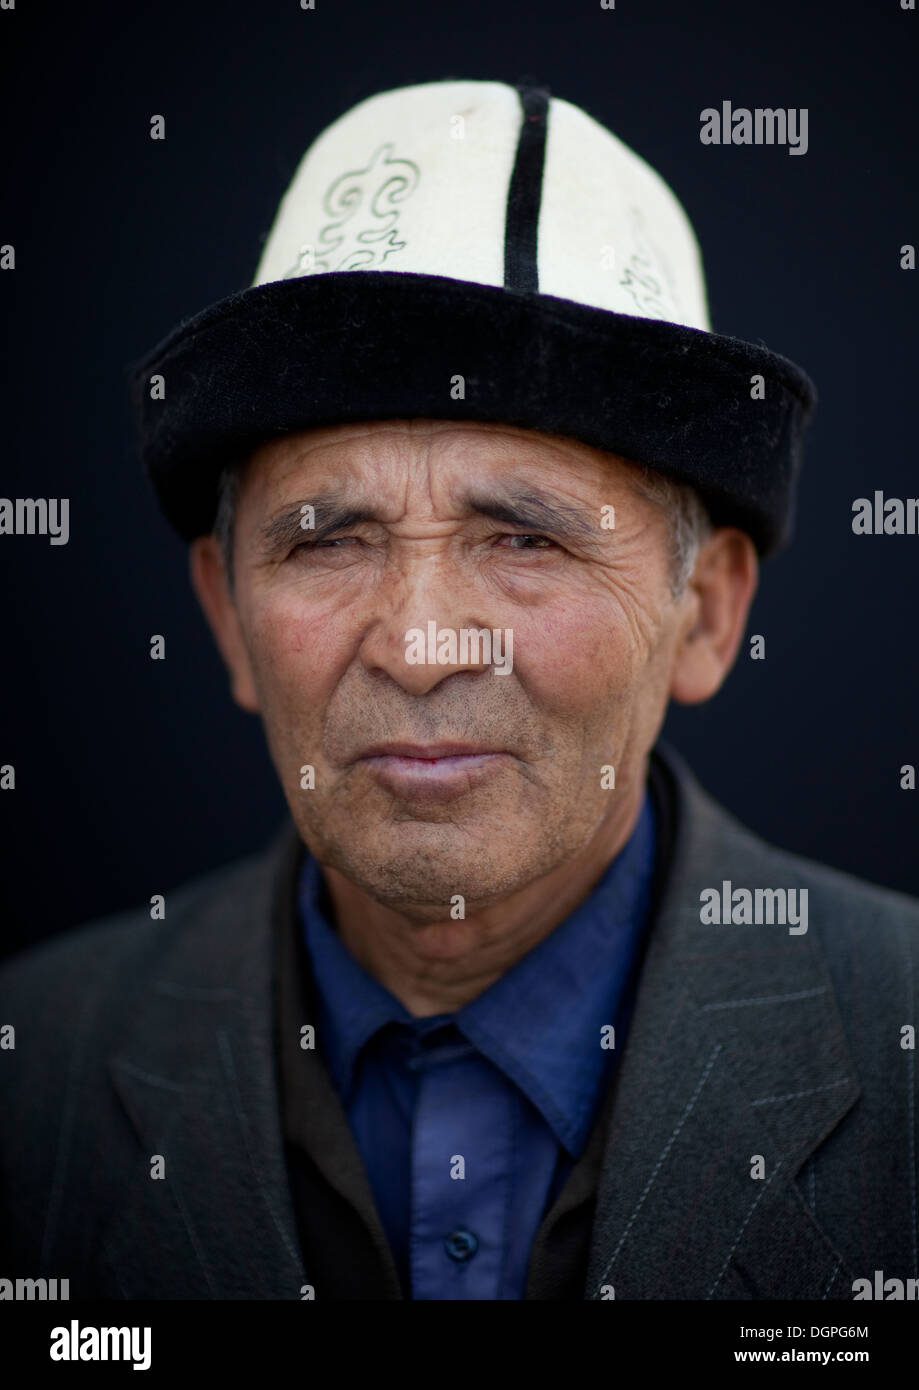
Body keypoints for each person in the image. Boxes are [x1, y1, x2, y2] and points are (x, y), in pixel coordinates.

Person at [1, 78, 917, 1302]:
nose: (421, 646)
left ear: (704, 615)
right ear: (226, 615)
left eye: (526, 538)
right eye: (328, 538)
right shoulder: (32, 1071)